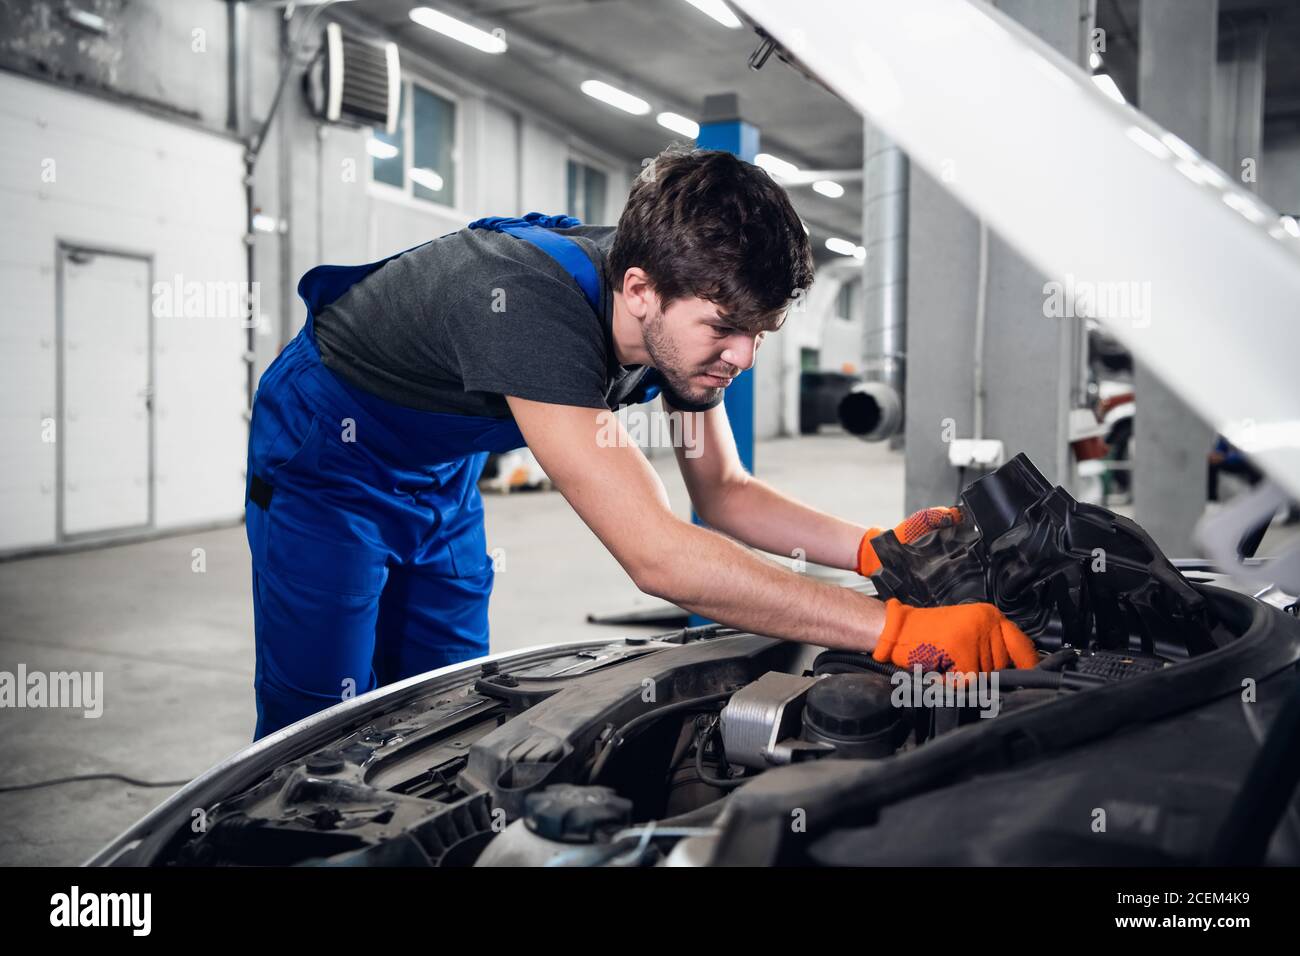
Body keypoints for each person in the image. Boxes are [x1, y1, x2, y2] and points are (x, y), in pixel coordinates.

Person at [243, 144, 1035, 740]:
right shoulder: (527, 310)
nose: (742, 358)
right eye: (726, 330)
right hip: (327, 458)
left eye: (759, 333)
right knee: (321, 722)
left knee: (447, 700)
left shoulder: (671, 332)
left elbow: (724, 492)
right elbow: (658, 557)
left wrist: (870, 547)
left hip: (439, 472)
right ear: (638, 291)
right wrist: (895, 632)